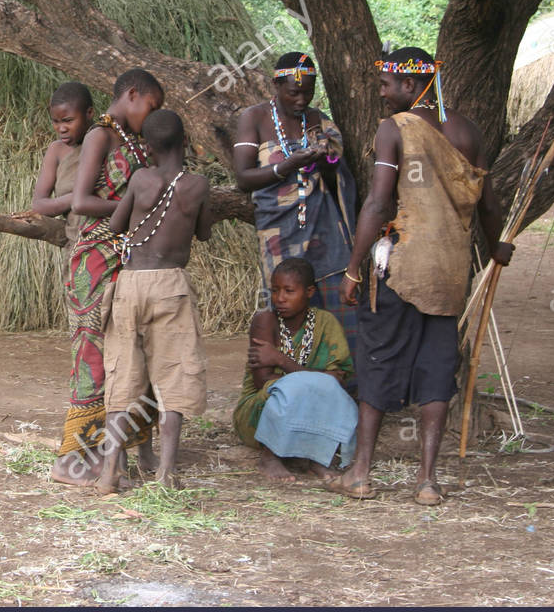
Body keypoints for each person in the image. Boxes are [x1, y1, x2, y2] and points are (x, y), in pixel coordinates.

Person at [331, 48, 514, 505]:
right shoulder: (468, 131)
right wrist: (497, 248)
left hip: (402, 268)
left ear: (412, 86)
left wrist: (353, 269)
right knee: (436, 368)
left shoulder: (394, 129)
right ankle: (427, 481)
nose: (381, 93)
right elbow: (490, 206)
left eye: (386, 84)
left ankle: (361, 474)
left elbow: (377, 204)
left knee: (377, 359)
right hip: (451, 272)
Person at [56, 68, 165, 485]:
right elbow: (82, 201)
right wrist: (136, 208)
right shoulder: (100, 136)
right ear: (132, 95)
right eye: (151, 106)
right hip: (96, 257)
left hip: (125, 254)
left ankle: (126, 447)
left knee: (132, 348)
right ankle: (74, 459)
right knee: (95, 356)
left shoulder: (136, 141)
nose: (154, 116)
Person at [98, 109, 213, 493]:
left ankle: (108, 472)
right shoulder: (198, 185)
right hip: (170, 286)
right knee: (175, 375)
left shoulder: (141, 178)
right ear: (185, 142)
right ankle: (166, 474)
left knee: (122, 376)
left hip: (130, 283)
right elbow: (205, 232)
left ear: (146, 147)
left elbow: (115, 225)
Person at [233, 53, 358, 352]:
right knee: (288, 310)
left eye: (308, 93)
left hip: (325, 231)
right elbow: (243, 177)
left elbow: (335, 173)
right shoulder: (255, 118)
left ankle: (343, 385)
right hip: (279, 235)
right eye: (294, 92)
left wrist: (324, 157)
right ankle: (294, 383)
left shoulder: (319, 120)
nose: (302, 100)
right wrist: (288, 165)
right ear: (276, 85)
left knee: (337, 310)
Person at [232, 258, 357, 484]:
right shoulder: (265, 321)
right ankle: (269, 456)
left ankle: (317, 459)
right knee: (296, 389)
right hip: (260, 411)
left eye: (289, 291)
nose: (280, 298)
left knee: (325, 389)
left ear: (309, 292)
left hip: (308, 402)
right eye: (275, 291)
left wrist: (280, 359)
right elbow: (263, 382)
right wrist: (316, 379)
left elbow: (339, 381)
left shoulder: (325, 323)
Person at [30, 81, 96, 251]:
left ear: (89, 113)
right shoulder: (57, 150)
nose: (61, 129)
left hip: (108, 238)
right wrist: (78, 197)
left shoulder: (106, 142)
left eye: (68, 121)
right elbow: (39, 205)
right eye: (56, 122)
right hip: (76, 242)